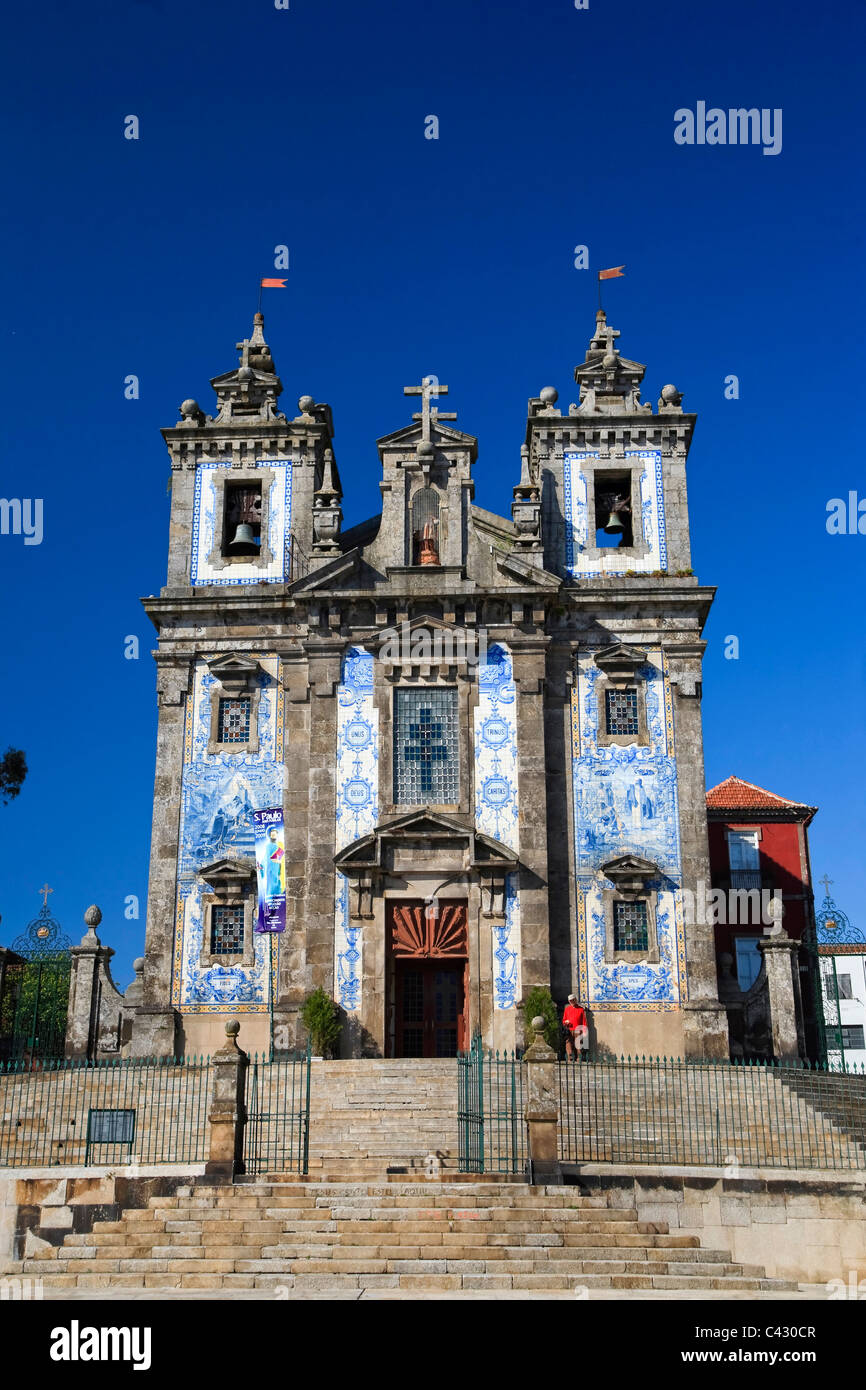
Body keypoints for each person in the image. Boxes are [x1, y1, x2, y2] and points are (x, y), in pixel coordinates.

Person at [563, 994, 588, 1060]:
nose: (572, 1002)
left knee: (578, 1045)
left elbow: (584, 1021)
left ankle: (579, 1059)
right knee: (568, 1044)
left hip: (578, 1030)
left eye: (573, 1000)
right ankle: (570, 1058)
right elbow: (564, 1020)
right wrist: (566, 1022)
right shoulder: (567, 1009)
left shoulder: (581, 1009)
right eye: (570, 1001)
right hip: (569, 1029)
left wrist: (584, 1031)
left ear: (575, 1000)